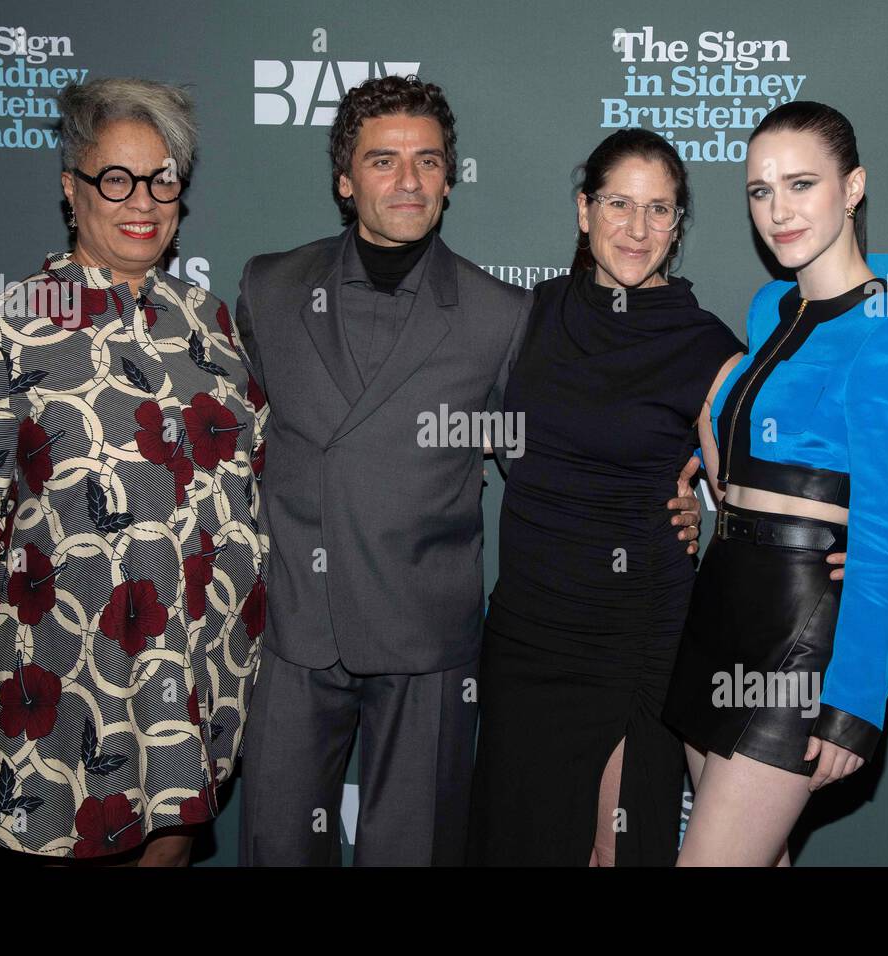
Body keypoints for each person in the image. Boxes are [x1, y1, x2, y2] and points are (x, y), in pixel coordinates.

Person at [0, 77, 267, 865]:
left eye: (161, 178)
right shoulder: (11, 327)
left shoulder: (208, 322)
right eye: (115, 178)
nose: (140, 199)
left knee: (172, 848)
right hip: (71, 668)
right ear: (70, 190)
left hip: (197, 665)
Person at [233, 74, 550, 866]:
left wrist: (659, 506)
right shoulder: (269, 289)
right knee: (278, 850)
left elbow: (540, 470)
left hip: (427, 637)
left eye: (429, 162)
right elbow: (223, 445)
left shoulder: (498, 313)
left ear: (449, 177)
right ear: (346, 180)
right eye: (383, 161)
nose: (408, 181)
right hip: (297, 628)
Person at [661, 101, 888, 866]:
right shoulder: (768, 307)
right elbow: (738, 471)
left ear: (852, 188)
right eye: (760, 191)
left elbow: (886, 526)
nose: (778, 211)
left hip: (801, 624)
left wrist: (855, 698)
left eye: (801, 184)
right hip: (720, 600)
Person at [466, 129, 747, 866]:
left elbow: (744, 502)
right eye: (619, 203)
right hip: (528, 633)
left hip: (638, 638)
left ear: (678, 226)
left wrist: (827, 550)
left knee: (615, 852)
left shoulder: (707, 346)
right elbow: (477, 435)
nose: (637, 228)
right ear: (584, 211)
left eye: (660, 210)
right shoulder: (526, 317)